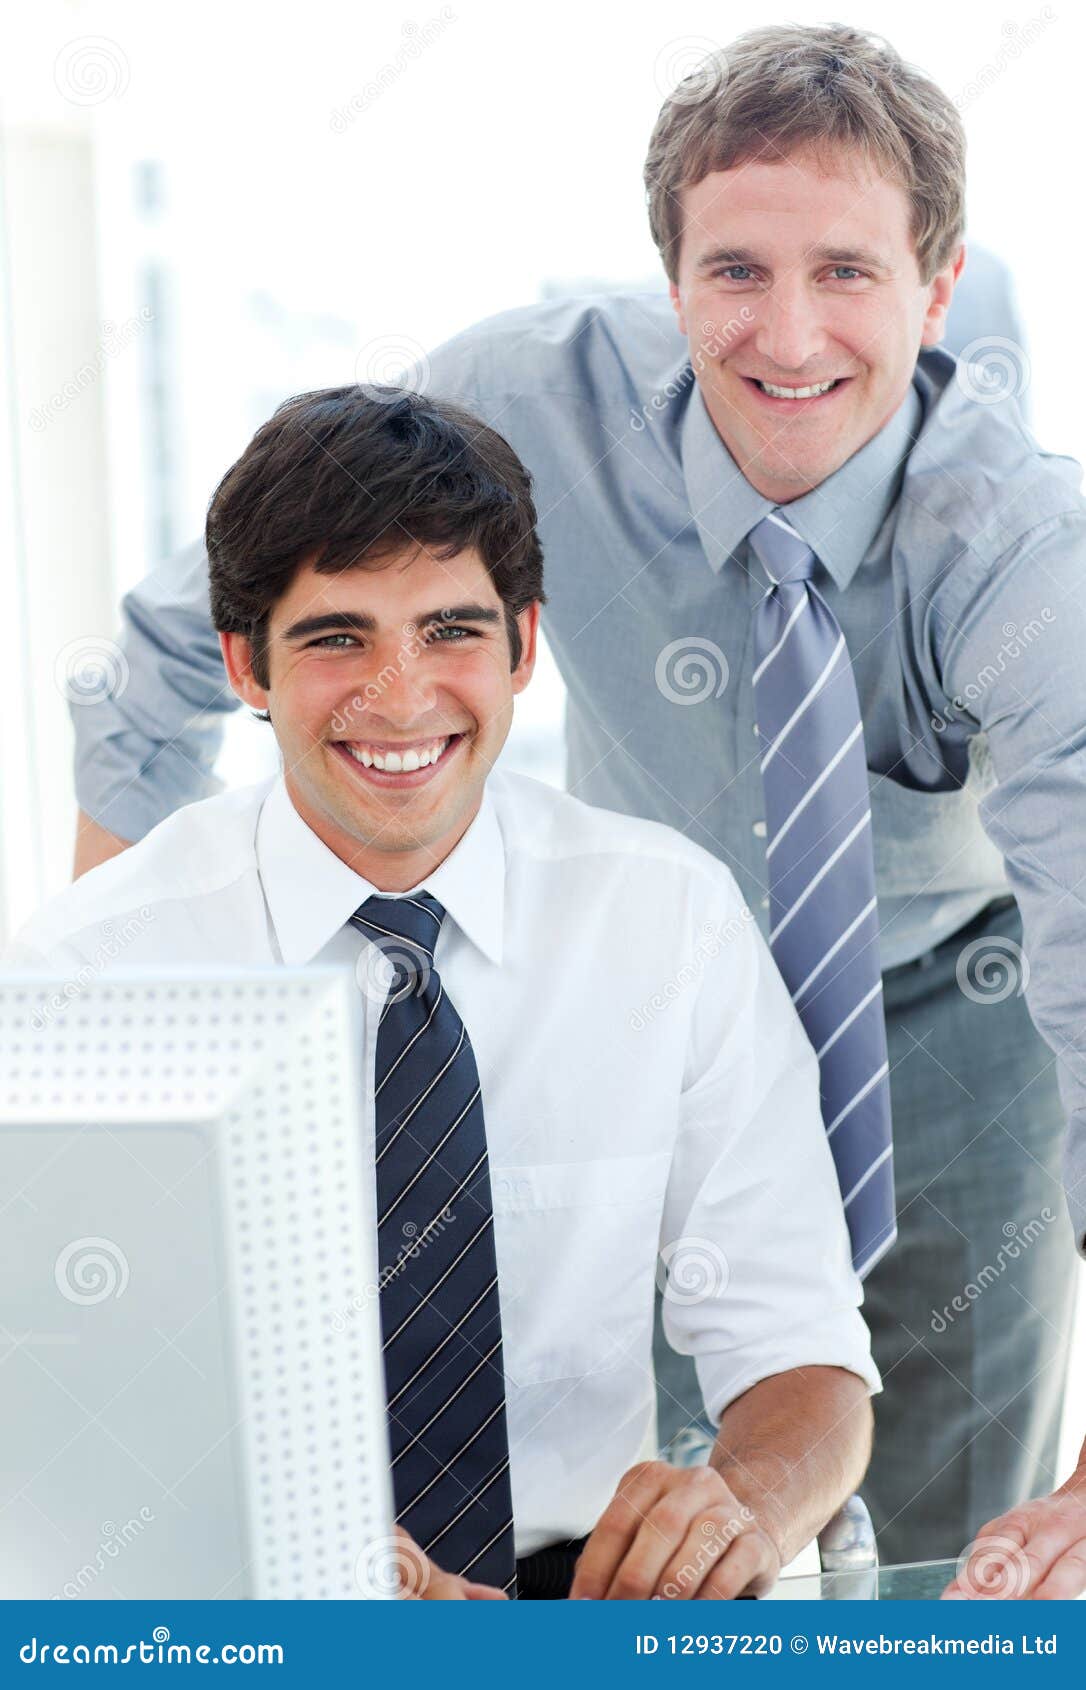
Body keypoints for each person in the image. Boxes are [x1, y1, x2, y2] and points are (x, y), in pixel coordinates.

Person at [67, 25, 1086, 1596]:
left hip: (961, 1008)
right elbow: (202, 627)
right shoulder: (518, 400)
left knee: (958, 1546)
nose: (788, 331)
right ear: (669, 279)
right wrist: (134, 1032)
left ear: (936, 290)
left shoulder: (1019, 554)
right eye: (735, 270)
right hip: (653, 990)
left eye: (847, 272)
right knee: (631, 1518)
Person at [6, 386, 880, 1600]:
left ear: (524, 646)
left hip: (578, 1612)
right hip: (244, 1613)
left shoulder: (670, 922)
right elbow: (49, 1419)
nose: (402, 694)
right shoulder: (92, 974)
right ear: (244, 665)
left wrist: (742, 1508)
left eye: (452, 631)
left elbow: (804, 1356)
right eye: (337, 638)